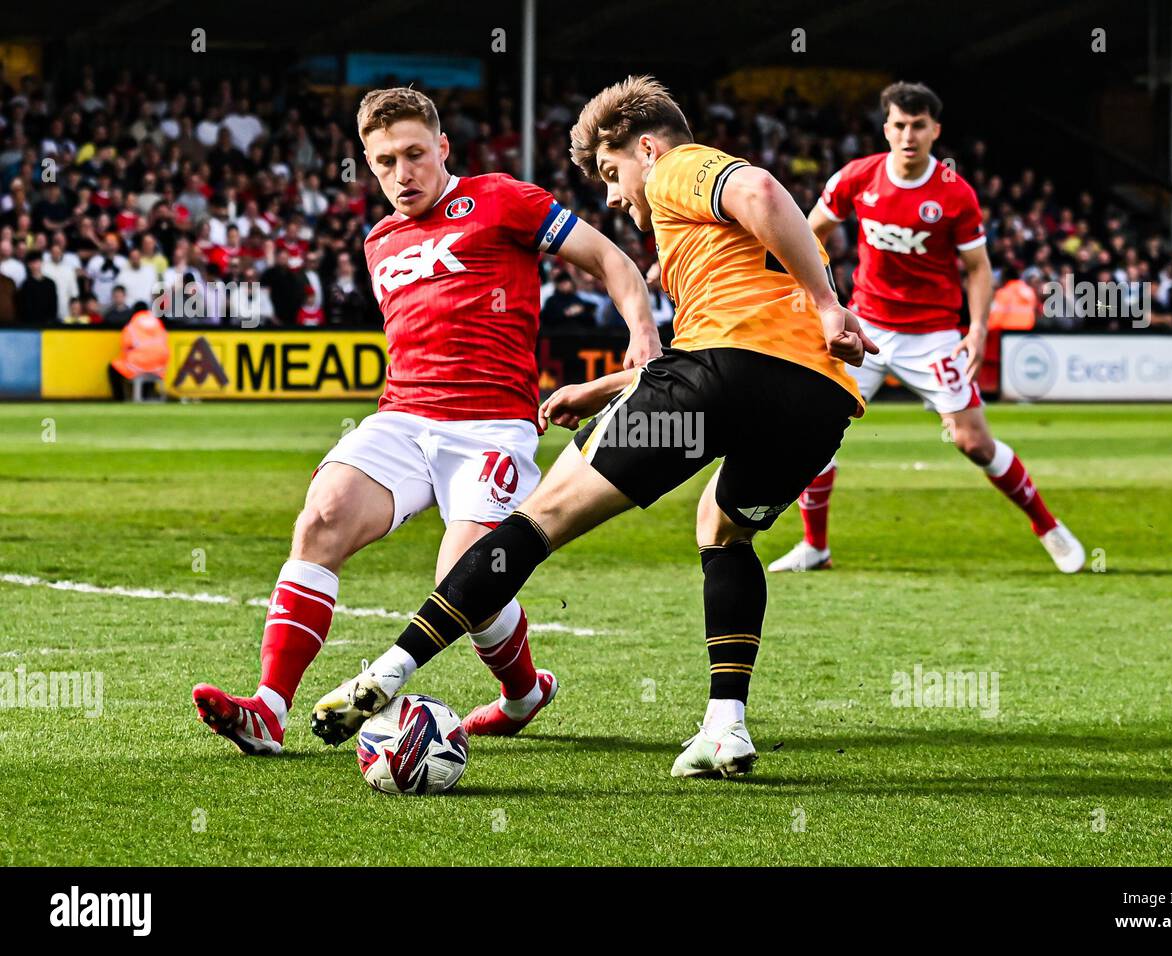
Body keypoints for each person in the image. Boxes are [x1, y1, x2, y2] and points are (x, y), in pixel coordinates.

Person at [311, 76, 872, 778]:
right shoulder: (701, 248)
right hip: (815, 404)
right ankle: (725, 727)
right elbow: (724, 348)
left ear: (642, 146)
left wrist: (826, 300)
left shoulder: (677, 167)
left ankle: (389, 671)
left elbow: (759, 194)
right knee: (723, 531)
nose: (613, 195)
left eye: (612, 173)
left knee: (535, 520)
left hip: (719, 383)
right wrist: (605, 387)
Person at [192, 86, 660, 755]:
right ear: (368, 164)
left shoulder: (503, 199)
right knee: (321, 517)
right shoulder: (378, 240)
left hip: (493, 427)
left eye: (415, 154)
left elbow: (611, 260)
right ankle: (268, 709)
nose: (401, 173)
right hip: (404, 417)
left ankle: (524, 694)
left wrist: (640, 332)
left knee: (467, 574)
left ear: (442, 148)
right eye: (384, 162)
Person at [767, 82, 1084, 574]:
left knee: (973, 443)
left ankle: (1046, 525)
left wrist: (977, 330)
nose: (908, 135)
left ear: (935, 130)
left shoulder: (955, 195)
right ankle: (816, 547)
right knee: (813, 432)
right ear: (886, 127)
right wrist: (811, 298)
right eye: (899, 125)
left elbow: (978, 268)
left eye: (918, 126)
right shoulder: (857, 177)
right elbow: (807, 236)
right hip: (866, 327)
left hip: (933, 333)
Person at [107, 308, 169, 399]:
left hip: (138, 365)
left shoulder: (132, 325)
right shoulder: (158, 324)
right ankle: (146, 395)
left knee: (114, 367)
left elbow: (125, 345)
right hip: (159, 367)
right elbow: (165, 342)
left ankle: (119, 399)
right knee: (149, 366)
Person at [17, 252, 57, 325]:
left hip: (48, 324)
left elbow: (53, 305)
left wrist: (50, 320)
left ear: (41, 262)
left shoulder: (50, 283)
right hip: (31, 325)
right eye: (32, 262)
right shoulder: (26, 284)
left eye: (37, 262)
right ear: (28, 265)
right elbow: (24, 308)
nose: (35, 265)